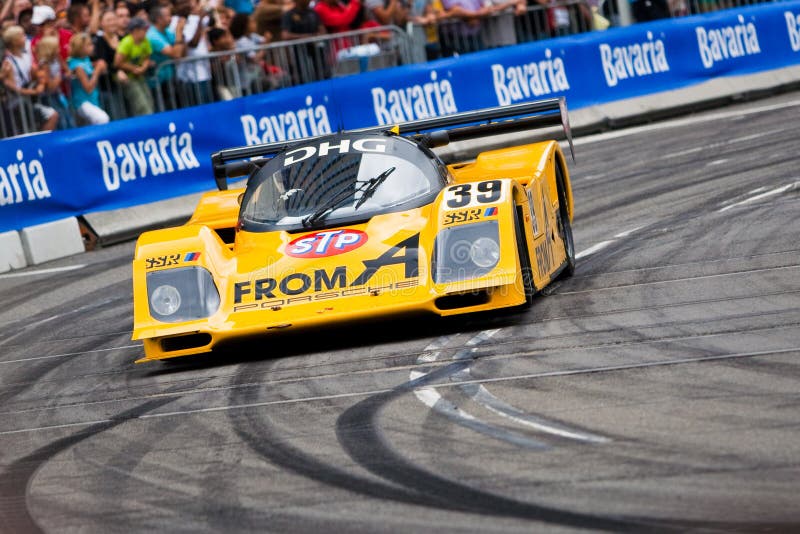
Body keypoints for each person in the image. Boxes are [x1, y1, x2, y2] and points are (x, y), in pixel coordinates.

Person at [1, 25, 59, 133]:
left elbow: (34, 75)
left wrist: (39, 80)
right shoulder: (8, 63)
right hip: (17, 105)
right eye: (22, 36)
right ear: (14, 41)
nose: (25, 38)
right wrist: (33, 91)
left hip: (28, 101)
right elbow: (13, 87)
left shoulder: (26, 56)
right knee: (51, 115)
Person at [170, 0, 213, 106]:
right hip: (189, 77)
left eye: (186, 2)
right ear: (175, 6)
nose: (185, 6)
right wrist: (200, 22)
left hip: (205, 72)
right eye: (181, 3)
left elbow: (210, 22)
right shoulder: (174, 22)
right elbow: (193, 43)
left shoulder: (194, 17)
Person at [146, 5, 185, 110]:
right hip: (157, 83)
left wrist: (179, 36)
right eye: (168, 15)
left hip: (170, 78)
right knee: (164, 109)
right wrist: (179, 32)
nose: (171, 18)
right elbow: (176, 53)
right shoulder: (152, 35)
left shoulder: (167, 31)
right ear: (159, 19)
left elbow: (181, 52)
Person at [114, 16, 153, 115]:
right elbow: (117, 62)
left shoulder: (145, 41)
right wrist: (134, 68)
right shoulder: (126, 43)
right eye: (143, 29)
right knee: (141, 105)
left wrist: (143, 68)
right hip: (128, 78)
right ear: (135, 30)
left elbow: (147, 57)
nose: (146, 31)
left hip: (139, 76)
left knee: (149, 102)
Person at [67, 32, 109, 124]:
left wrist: (100, 65)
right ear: (81, 48)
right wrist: (97, 70)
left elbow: (103, 70)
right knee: (102, 118)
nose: (92, 46)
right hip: (83, 102)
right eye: (89, 45)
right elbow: (88, 88)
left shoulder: (86, 59)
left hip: (92, 99)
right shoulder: (77, 66)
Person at [92, 8, 126, 119]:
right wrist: (117, 71)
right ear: (101, 23)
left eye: (113, 19)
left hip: (125, 84)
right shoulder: (99, 41)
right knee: (116, 115)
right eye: (108, 20)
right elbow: (103, 64)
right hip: (108, 88)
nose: (112, 23)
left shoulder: (122, 38)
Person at [34, 34, 74, 128]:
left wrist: (63, 76)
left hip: (58, 93)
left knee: (68, 117)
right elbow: (50, 86)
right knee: (61, 120)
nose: (59, 49)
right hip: (49, 97)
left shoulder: (57, 58)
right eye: (56, 47)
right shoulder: (44, 64)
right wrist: (59, 78)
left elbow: (67, 71)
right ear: (50, 49)